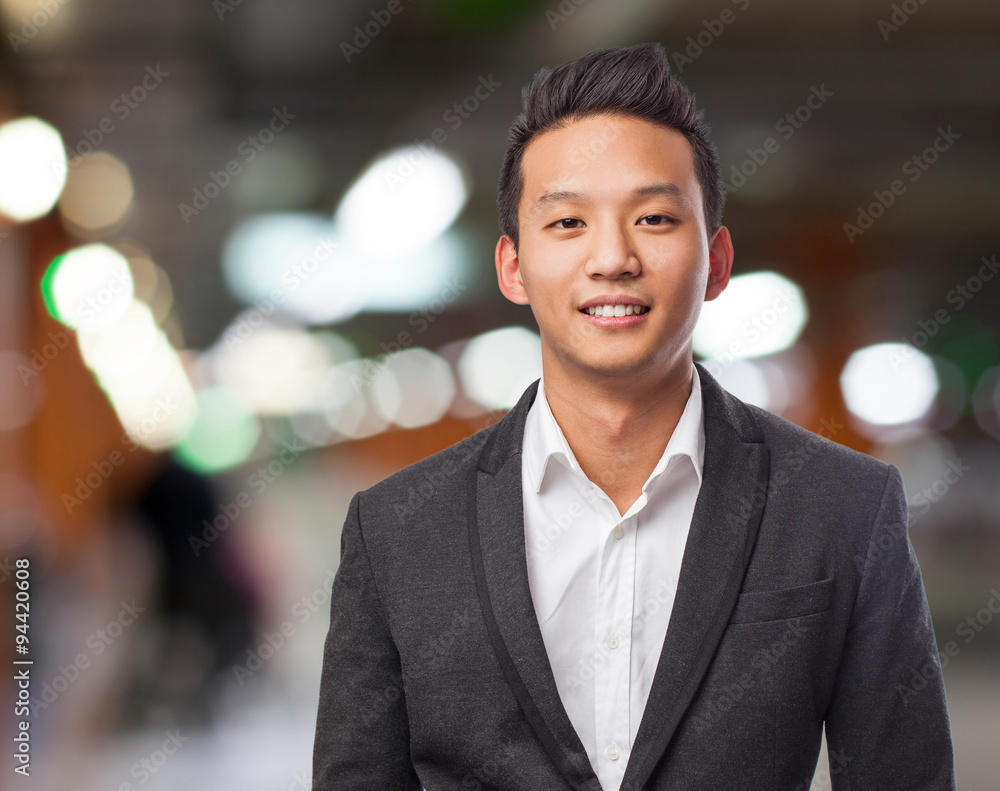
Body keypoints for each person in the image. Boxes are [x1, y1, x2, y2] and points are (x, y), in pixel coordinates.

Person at [312, 43, 956, 791]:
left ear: (715, 262)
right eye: (567, 224)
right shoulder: (396, 534)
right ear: (512, 266)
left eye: (653, 217)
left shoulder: (843, 507)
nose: (612, 257)